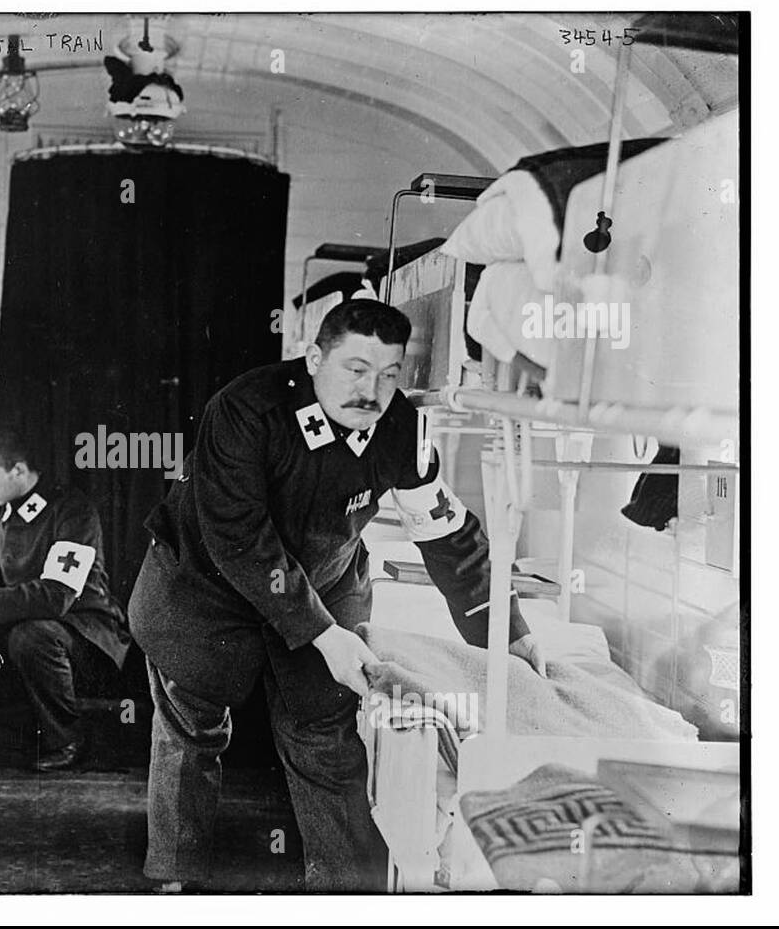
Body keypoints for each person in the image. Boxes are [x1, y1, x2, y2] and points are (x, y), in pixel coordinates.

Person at [128, 298, 545, 890]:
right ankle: (175, 881)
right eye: (355, 368)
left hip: (323, 585)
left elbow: (446, 531)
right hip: (203, 590)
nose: (371, 391)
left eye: (388, 374)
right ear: (315, 357)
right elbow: (240, 537)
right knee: (190, 733)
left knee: (324, 741)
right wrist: (324, 634)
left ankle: (349, 896)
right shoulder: (246, 411)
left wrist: (510, 631)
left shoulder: (402, 430)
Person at [0, 423, 131, 771]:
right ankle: (47, 723)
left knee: (30, 636)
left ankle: (67, 739)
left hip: (87, 637)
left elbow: (56, 596)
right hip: (29, 639)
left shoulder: (72, 512)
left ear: (18, 470)